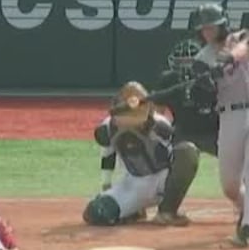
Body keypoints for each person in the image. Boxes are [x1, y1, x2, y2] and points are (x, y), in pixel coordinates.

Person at [153, 27, 249, 224]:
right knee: (185, 154)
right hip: (185, 133)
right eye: (181, 63)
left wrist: (208, 82)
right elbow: (157, 115)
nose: (185, 68)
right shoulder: (169, 81)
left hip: (215, 131)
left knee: (246, 156)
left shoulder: (218, 77)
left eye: (189, 62)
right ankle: (167, 210)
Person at [178, 3, 249, 248]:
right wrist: (204, 82)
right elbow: (206, 97)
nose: (208, 32)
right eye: (204, 29)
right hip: (229, 118)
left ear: (222, 23)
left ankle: (248, 228)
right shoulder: (202, 58)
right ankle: (248, 210)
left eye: (212, 27)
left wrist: (229, 58)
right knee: (231, 185)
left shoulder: (242, 37)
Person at [82, 83, 201, 227]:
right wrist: (106, 184)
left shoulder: (160, 125)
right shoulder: (109, 127)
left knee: (187, 151)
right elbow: (107, 153)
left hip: (162, 182)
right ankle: (135, 210)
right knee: (97, 212)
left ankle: (167, 211)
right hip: (134, 183)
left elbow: (177, 154)